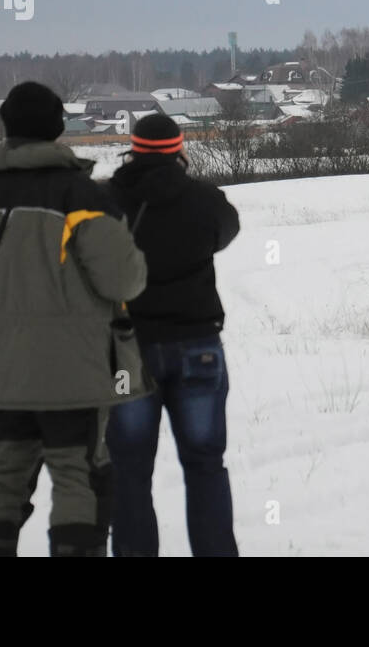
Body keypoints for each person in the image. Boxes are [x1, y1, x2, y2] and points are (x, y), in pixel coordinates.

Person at [0, 81, 147, 557]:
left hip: (7, 372)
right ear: (58, 128)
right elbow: (124, 280)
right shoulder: (81, 197)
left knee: (2, 474)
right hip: (77, 372)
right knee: (79, 475)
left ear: (7, 126)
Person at [105, 113, 240, 556]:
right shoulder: (205, 201)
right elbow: (226, 230)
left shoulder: (108, 202)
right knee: (205, 466)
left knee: (129, 471)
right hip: (197, 346)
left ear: (134, 148)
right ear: (179, 149)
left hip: (129, 350)